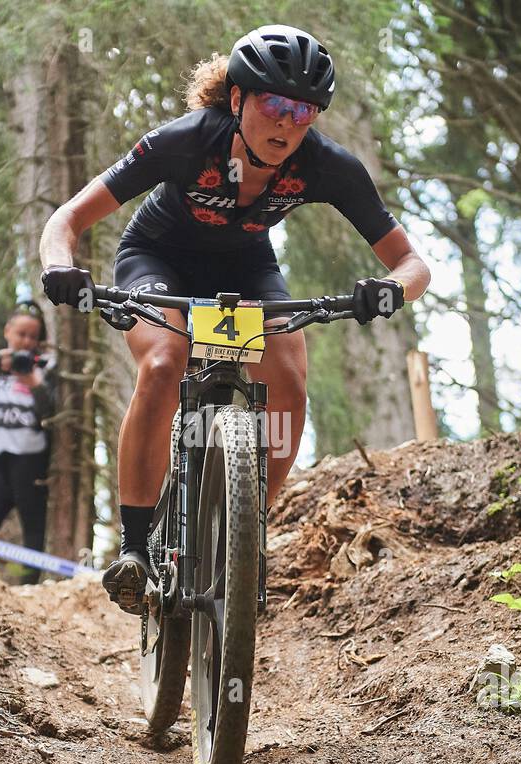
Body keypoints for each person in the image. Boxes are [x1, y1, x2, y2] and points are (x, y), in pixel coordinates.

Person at [38, 24, 430, 614]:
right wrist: (60, 268)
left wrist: (390, 290)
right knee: (165, 361)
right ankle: (137, 548)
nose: (288, 123)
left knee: (289, 380)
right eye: (274, 104)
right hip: (158, 258)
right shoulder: (185, 140)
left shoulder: (327, 165)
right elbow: (65, 220)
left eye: (305, 111)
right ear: (238, 99)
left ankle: (248, 532)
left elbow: (411, 262)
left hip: (245, 268)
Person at [0, 303, 56, 583]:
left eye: (32, 336)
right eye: (21, 334)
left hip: (31, 458)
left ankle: (29, 589)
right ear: (8, 332)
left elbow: (50, 410)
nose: (26, 341)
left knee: (33, 527)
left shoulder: (46, 366)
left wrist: (34, 381)